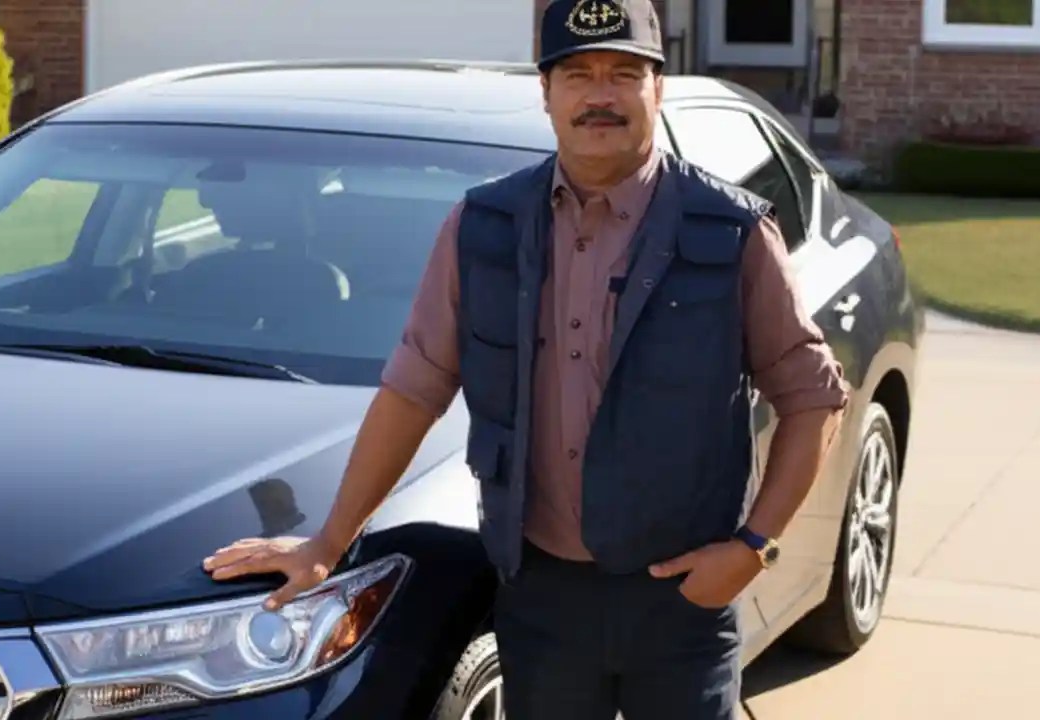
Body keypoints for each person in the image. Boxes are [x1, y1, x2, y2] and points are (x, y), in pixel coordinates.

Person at [202, 0, 849, 717]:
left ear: (657, 89)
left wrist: (753, 546)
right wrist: (328, 540)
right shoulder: (483, 228)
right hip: (542, 603)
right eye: (577, 73)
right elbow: (414, 389)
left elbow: (813, 397)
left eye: (623, 73)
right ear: (545, 93)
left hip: (680, 604)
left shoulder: (731, 233)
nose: (600, 95)